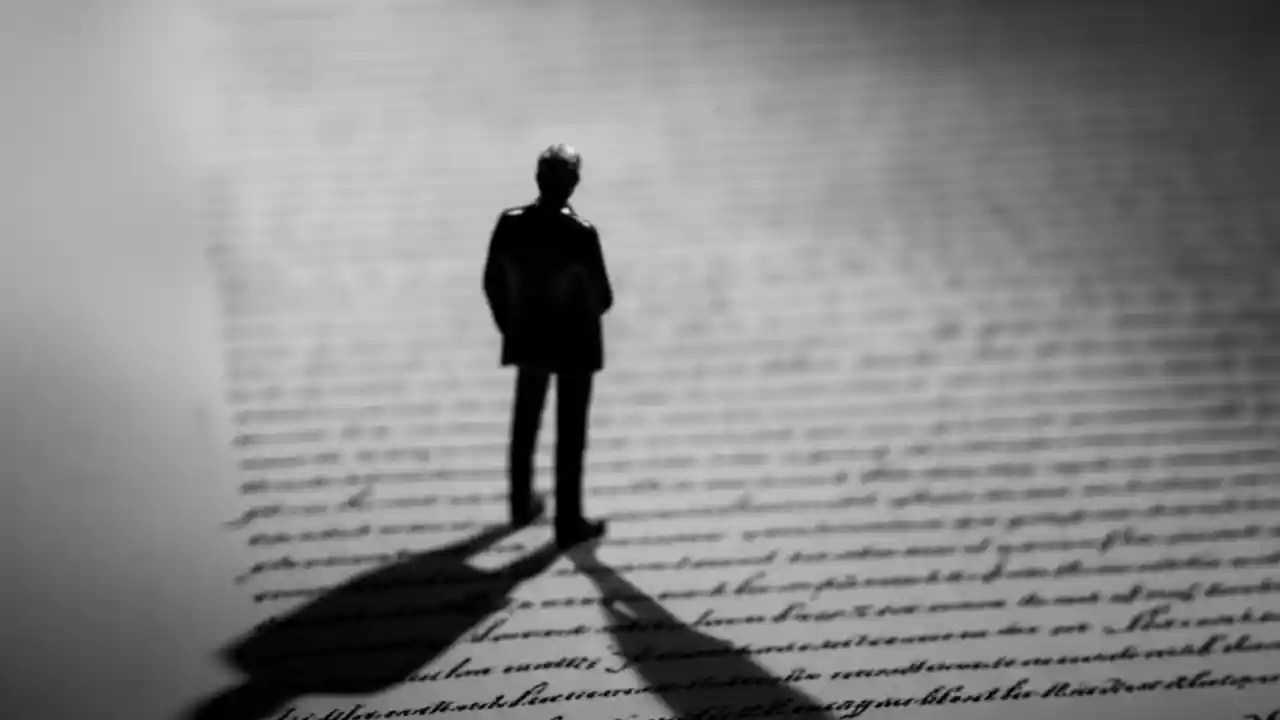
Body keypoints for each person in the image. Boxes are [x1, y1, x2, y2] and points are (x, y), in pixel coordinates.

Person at [483, 143, 612, 547]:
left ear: (538, 179)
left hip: (528, 338)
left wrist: (512, 326)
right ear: (574, 183)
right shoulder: (581, 234)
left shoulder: (510, 223)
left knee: (525, 424)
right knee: (570, 434)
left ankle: (520, 503)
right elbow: (603, 298)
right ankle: (567, 522)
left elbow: (492, 283)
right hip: (575, 345)